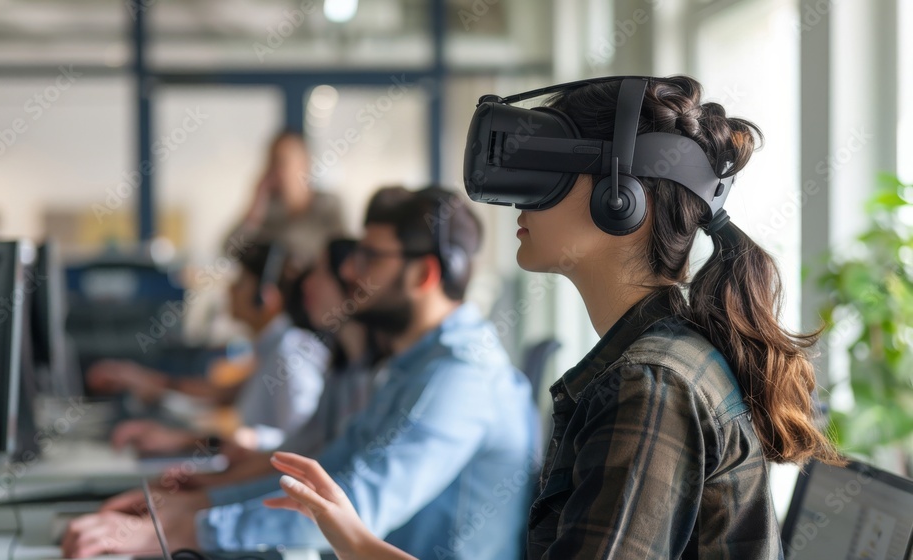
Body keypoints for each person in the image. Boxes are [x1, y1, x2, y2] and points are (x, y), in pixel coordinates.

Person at [259, 75, 844, 559]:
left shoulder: (652, 385)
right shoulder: (659, 362)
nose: (520, 201)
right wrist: (357, 540)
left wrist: (360, 544)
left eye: (548, 176)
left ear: (622, 201)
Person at [61, 186, 539, 560]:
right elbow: (326, 474)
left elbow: (354, 512)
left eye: (371, 258)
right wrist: (194, 507)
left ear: (423, 276)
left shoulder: (460, 378)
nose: (352, 272)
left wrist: (185, 527)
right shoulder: (414, 364)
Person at [100, 241, 329, 456]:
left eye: (240, 284)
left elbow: (301, 441)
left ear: (265, 298)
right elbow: (224, 394)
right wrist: (150, 383)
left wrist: (181, 440)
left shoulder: (289, 355)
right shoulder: (272, 348)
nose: (230, 291)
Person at [226, 130, 346, 270]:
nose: (277, 169)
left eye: (283, 161)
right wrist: (256, 205)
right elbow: (229, 250)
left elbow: (341, 257)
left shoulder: (328, 206)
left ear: (305, 163)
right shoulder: (267, 210)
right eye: (271, 162)